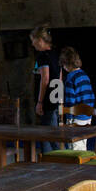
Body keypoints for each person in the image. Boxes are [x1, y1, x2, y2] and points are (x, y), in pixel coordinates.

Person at [30, 23, 61, 154]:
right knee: (53, 133)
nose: (32, 44)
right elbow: (60, 78)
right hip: (56, 98)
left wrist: (40, 102)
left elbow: (45, 79)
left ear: (40, 40)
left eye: (33, 40)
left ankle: (52, 163)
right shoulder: (56, 53)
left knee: (47, 136)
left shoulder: (42, 56)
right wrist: (59, 99)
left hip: (47, 100)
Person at [59, 46, 96, 150]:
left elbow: (70, 100)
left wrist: (69, 119)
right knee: (82, 146)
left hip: (76, 118)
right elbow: (91, 96)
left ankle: (76, 166)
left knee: (74, 149)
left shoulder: (70, 78)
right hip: (87, 117)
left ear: (67, 64)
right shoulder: (85, 75)